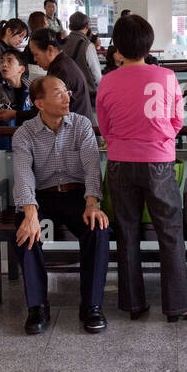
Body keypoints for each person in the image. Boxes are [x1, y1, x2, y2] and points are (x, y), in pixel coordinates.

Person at [96, 14, 187, 322]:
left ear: (117, 47)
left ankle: (134, 305)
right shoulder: (166, 77)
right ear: (149, 44)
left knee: (127, 233)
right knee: (170, 233)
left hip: (120, 163)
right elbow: (177, 121)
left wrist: (122, 143)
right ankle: (178, 306)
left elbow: (104, 126)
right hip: (158, 162)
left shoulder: (107, 80)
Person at [12, 76, 110, 334]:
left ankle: (91, 306)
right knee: (25, 232)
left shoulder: (81, 124)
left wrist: (92, 203)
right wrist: (30, 213)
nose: (68, 98)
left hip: (77, 197)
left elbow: (92, 167)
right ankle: (37, 307)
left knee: (98, 229)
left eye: (67, 92)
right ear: (40, 103)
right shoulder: (24, 133)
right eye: (59, 94)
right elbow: (23, 173)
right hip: (41, 198)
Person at [28, 27, 92, 118]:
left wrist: (15, 115)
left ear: (50, 50)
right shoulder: (61, 64)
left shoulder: (61, 70)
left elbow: (48, 107)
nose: (35, 59)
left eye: (36, 54)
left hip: (77, 125)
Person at [62, 12, 102, 103]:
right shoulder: (87, 45)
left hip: (66, 92)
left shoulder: (62, 43)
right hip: (86, 94)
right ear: (87, 26)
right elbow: (96, 74)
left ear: (70, 27)